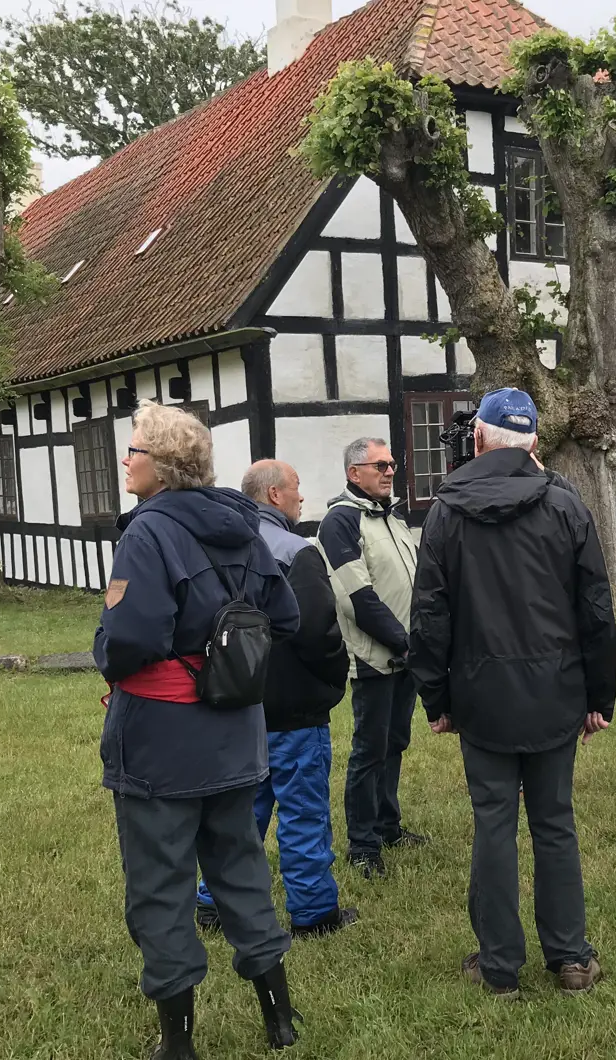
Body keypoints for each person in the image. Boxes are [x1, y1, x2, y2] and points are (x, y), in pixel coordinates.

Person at [95, 401, 302, 1053]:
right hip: (234, 734)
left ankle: (178, 1044)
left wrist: (105, 647)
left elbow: (131, 637)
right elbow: (286, 617)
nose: (125, 461)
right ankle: (279, 1020)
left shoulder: (147, 532)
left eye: (133, 450)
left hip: (161, 742)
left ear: (159, 464)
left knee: (160, 886)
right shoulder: (246, 525)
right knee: (240, 869)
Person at [410, 388, 616, 998]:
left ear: (479, 439)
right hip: (554, 688)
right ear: (533, 444)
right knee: (554, 822)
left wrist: (436, 697)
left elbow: (429, 615)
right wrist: (597, 696)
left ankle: (500, 966)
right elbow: (596, 609)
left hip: (482, 692)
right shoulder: (565, 505)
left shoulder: (447, 511)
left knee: (494, 825)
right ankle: (571, 957)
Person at [207, 461, 354, 940]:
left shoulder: (213, 547)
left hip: (233, 705)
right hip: (293, 709)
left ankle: (211, 901)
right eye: (296, 489)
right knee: (303, 812)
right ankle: (312, 912)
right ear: (273, 495)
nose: (301, 499)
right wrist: (334, 678)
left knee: (238, 812)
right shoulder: (296, 552)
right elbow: (319, 631)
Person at [319, 437, 427, 879]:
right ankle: (362, 846)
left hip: (407, 654)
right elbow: (357, 598)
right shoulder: (340, 521)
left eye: (392, 464)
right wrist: (403, 643)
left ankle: (387, 824)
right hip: (374, 657)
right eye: (380, 464)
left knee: (395, 743)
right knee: (369, 750)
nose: (389, 471)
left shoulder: (391, 517)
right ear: (353, 473)